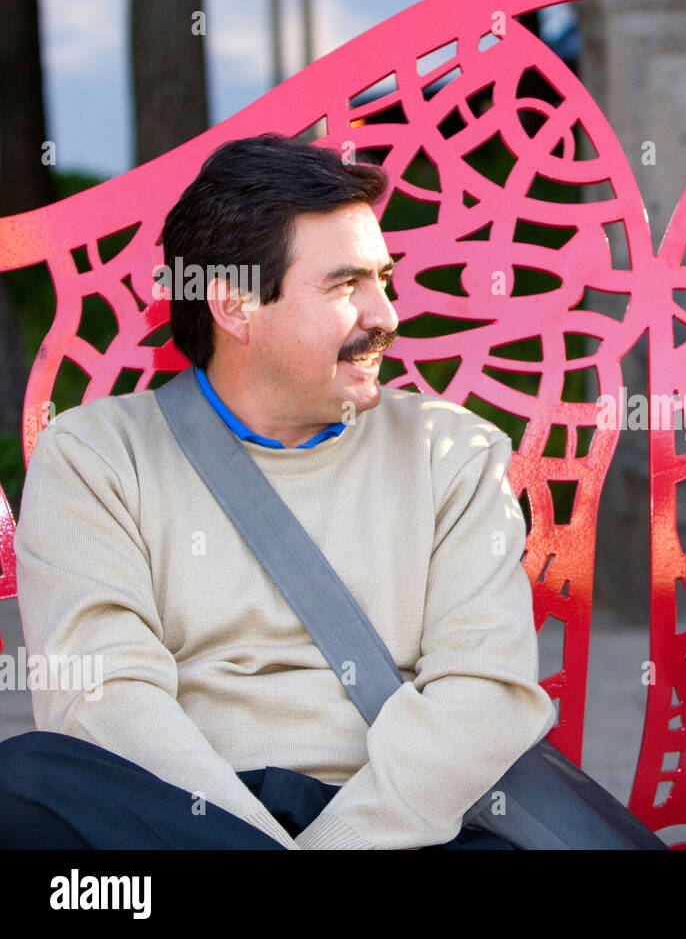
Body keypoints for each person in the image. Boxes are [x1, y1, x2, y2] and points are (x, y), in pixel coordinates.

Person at [0, 134, 555, 848]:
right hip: (181, 820)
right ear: (236, 308)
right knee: (26, 784)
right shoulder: (98, 458)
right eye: (345, 285)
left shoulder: (452, 453)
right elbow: (104, 697)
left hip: (396, 826)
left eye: (382, 279)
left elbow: (483, 696)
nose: (384, 314)